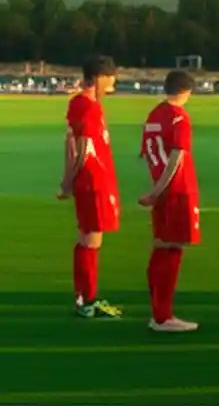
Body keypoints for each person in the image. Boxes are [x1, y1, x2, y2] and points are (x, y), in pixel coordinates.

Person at [59, 55, 123, 319]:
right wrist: (71, 179)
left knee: (86, 237)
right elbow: (83, 149)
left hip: (89, 181)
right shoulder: (90, 108)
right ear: (99, 77)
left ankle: (83, 296)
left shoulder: (79, 103)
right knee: (92, 240)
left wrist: (67, 179)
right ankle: (88, 300)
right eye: (110, 77)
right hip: (95, 182)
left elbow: (69, 142)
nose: (114, 82)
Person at [138, 70, 201, 333]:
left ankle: (158, 312)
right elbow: (177, 157)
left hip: (161, 189)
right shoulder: (179, 118)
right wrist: (159, 191)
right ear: (187, 91)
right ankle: (163, 317)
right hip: (175, 191)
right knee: (172, 249)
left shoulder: (154, 115)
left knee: (161, 247)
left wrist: (155, 188)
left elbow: (147, 154)